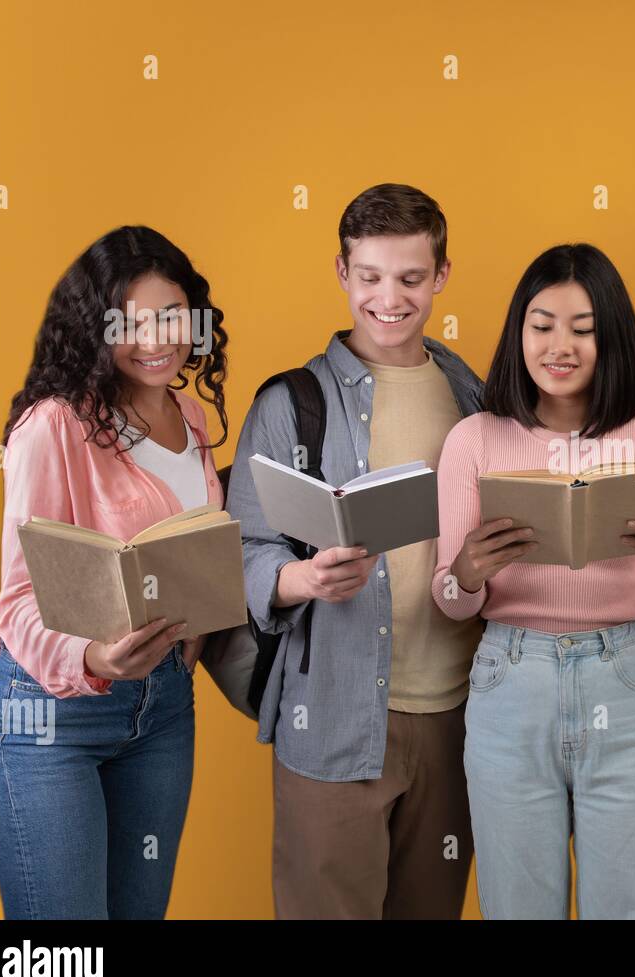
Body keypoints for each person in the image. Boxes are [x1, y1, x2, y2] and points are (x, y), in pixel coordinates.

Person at [225, 183, 486, 919]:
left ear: (441, 276)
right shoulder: (290, 402)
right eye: (369, 277)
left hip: (459, 716)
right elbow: (247, 547)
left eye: (410, 278)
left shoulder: (473, 392)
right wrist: (298, 577)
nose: (389, 299)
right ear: (342, 273)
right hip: (332, 720)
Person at [432, 243, 635, 919]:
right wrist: (465, 571)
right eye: (542, 324)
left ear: (610, 338)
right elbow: (450, 601)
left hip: (627, 675)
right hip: (510, 679)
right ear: (518, 330)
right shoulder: (475, 439)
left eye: (583, 329)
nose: (560, 345)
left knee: (629, 909)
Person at [0, 225, 230, 918]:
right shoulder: (53, 426)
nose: (158, 340)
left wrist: (199, 626)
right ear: (97, 327)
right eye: (134, 322)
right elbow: (18, 603)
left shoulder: (189, 415)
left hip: (162, 712)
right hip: (51, 717)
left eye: (174, 317)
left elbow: (190, 552)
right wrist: (93, 656)